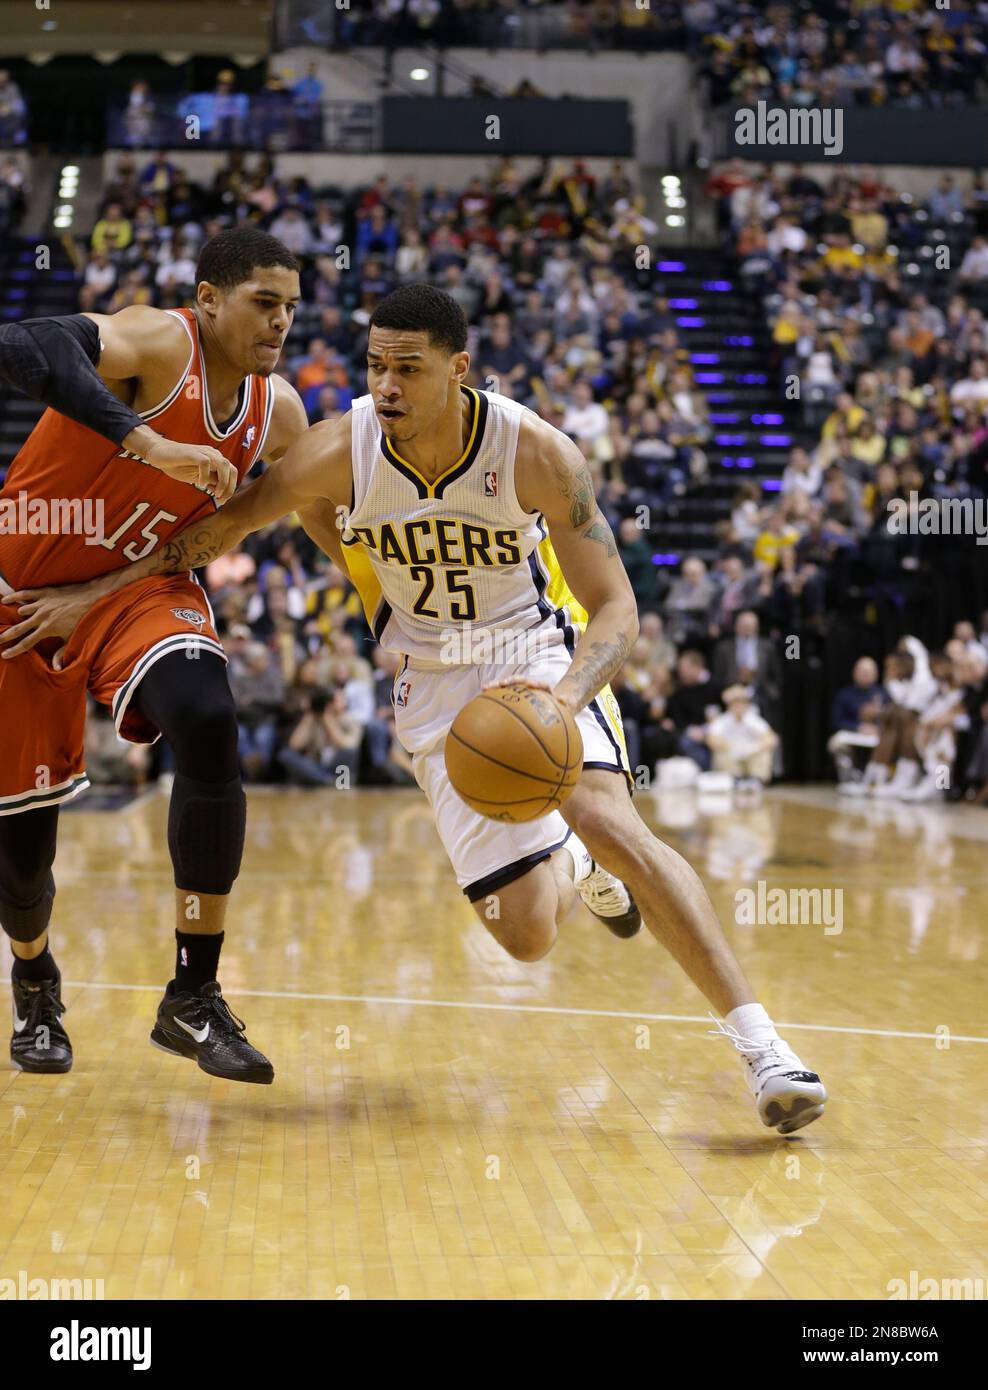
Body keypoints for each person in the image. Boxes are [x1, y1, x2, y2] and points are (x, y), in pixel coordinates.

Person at [8, 285, 827, 1134]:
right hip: (432, 682)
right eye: (375, 366)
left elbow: (616, 606)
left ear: (459, 370)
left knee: (609, 818)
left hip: (531, 656)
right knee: (527, 936)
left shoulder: (537, 452)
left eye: (409, 368)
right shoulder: (341, 450)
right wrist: (93, 596)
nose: (387, 385)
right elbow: (213, 535)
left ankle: (764, 1049)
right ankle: (575, 868)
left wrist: (566, 698)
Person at [0, 226, 309, 1082]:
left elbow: (311, 502)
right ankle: (33, 980)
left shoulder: (278, 412)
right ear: (208, 300)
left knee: (210, 718)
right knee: (24, 865)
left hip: (132, 589)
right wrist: (150, 442)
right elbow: (23, 345)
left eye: (291, 308)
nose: (281, 322)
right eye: (263, 303)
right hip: (19, 601)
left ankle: (192, 996)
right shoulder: (158, 341)